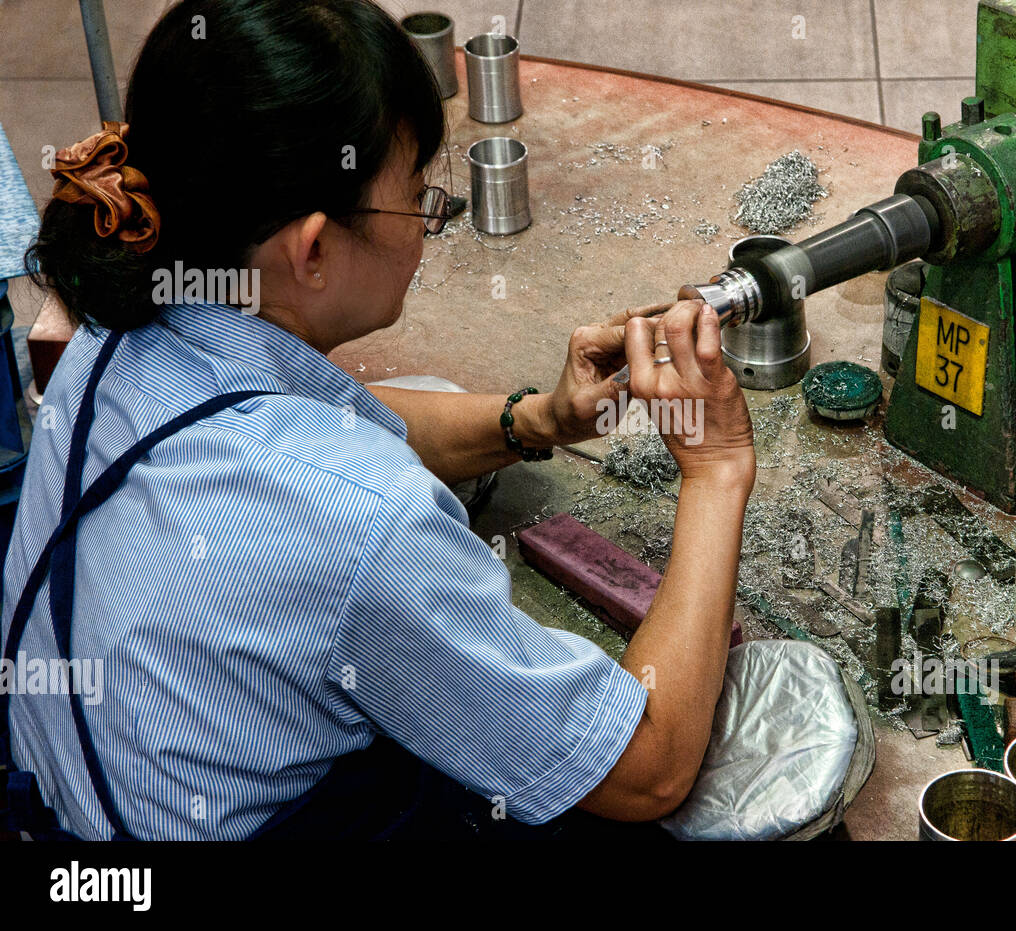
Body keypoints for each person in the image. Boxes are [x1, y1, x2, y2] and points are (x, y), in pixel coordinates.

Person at [1, 0, 755, 840]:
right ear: (314, 249)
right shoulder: (364, 521)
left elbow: (309, 429)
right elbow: (648, 769)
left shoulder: (118, 324)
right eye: (416, 199)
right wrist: (716, 467)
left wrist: (536, 418)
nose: (428, 227)